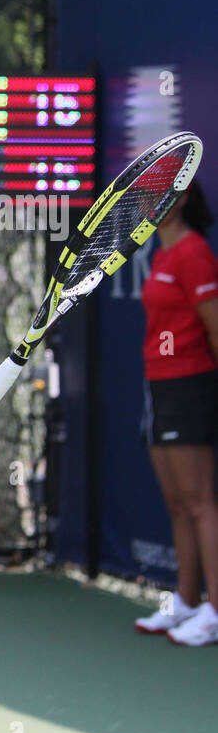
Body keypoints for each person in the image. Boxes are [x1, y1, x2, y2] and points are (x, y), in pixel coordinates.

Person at [134, 180, 218, 646]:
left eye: (160, 194)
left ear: (182, 197)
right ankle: (185, 601)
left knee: (201, 500)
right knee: (177, 503)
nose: (149, 203)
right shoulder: (162, 254)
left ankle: (216, 610)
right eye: (146, 196)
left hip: (190, 386)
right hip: (158, 389)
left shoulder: (194, 254)